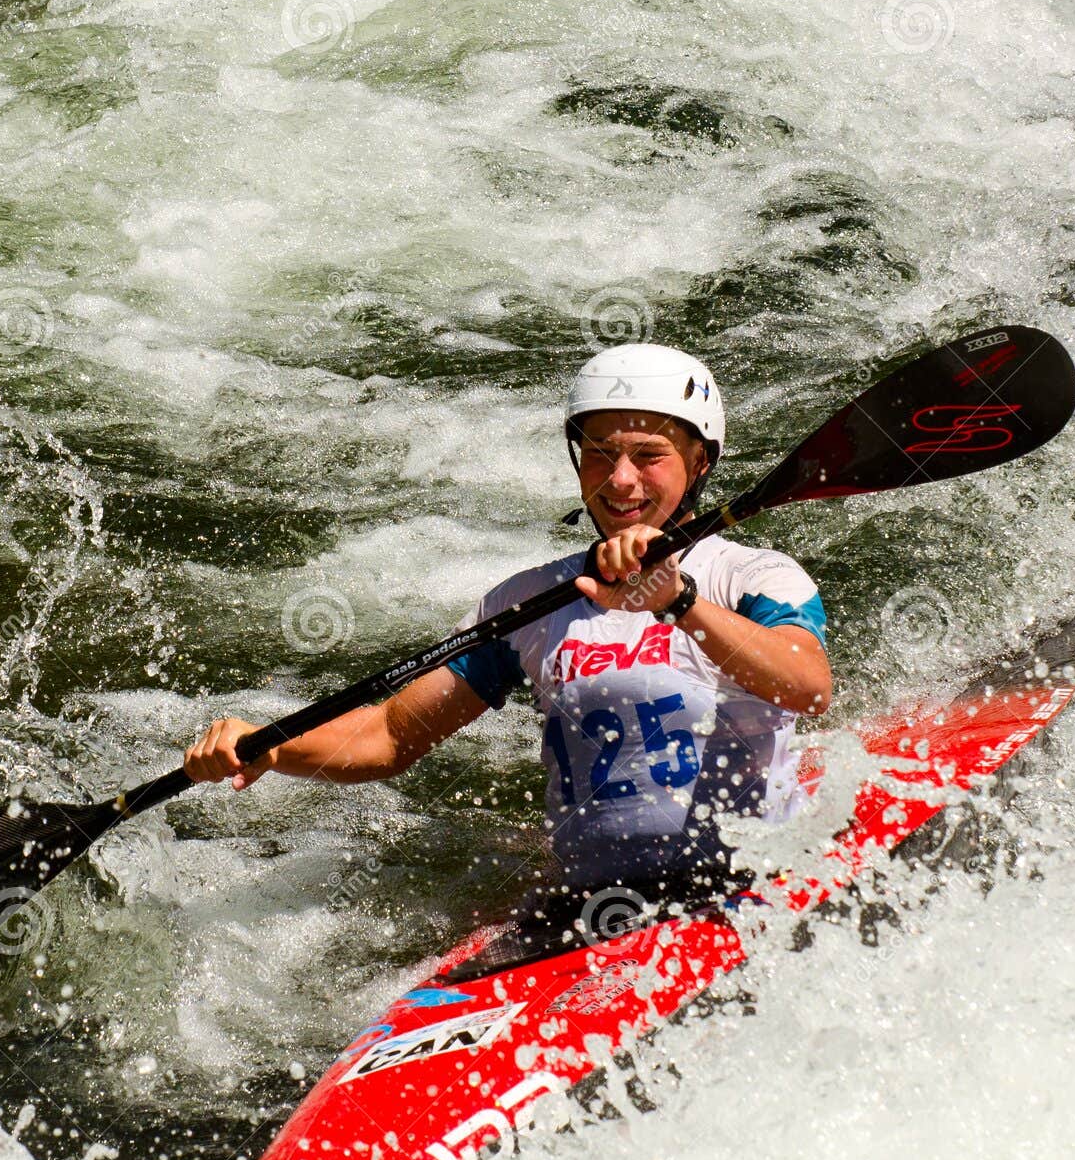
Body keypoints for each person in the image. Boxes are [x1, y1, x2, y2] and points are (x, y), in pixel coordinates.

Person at [185, 344, 831, 931]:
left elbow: (808, 686)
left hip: (741, 887)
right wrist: (269, 746)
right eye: (600, 452)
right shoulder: (528, 603)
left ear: (699, 463)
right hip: (595, 907)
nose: (621, 478)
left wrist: (679, 600)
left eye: (649, 456)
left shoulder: (752, 577)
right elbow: (389, 735)